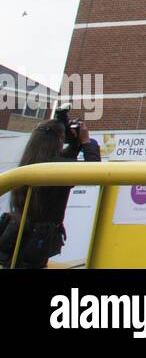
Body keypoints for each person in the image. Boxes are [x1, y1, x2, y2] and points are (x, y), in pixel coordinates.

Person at [0, 114, 101, 269]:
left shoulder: (32, 161)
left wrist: (75, 145)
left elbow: (62, 162)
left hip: (18, 237)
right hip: (35, 244)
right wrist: (87, 142)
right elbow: (94, 172)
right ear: (57, 141)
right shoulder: (55, 168)